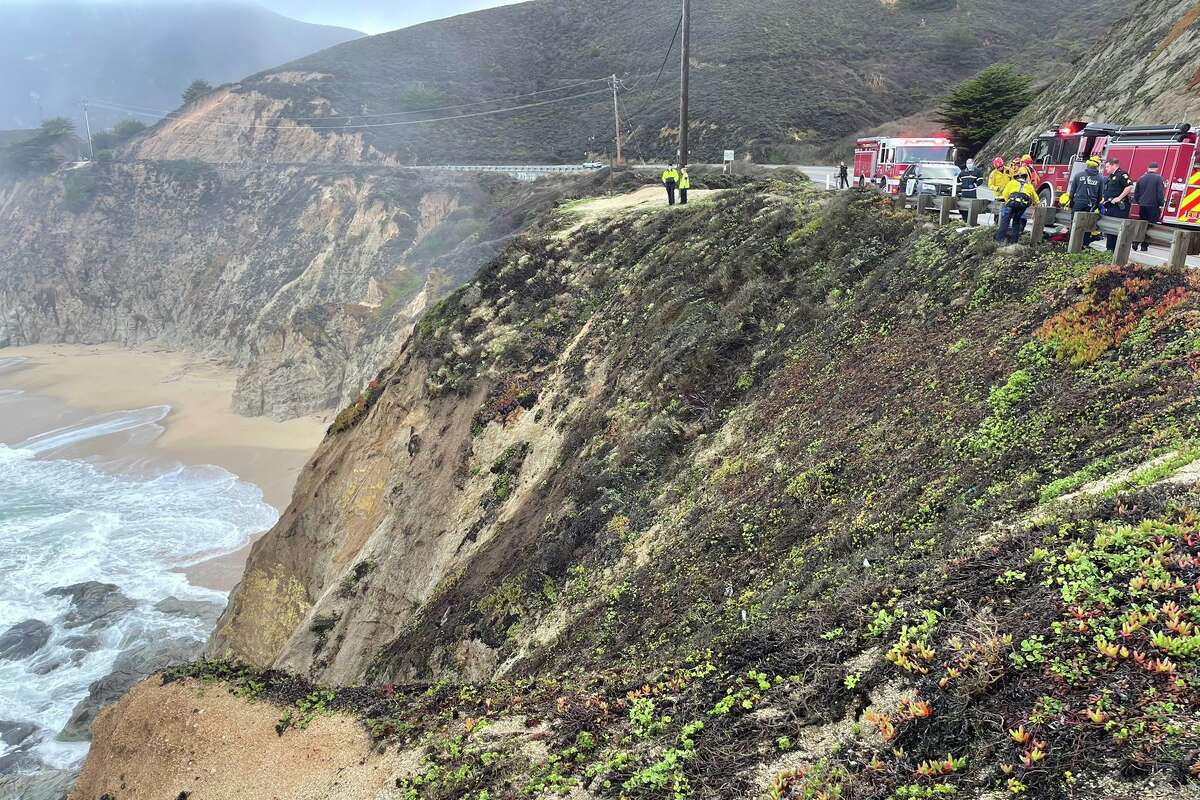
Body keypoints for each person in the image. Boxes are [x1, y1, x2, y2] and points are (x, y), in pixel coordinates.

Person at [995, 168, 1038, 245]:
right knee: (1017, 221)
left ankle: (999, 239)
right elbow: (1035, 197)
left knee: (1005, 221)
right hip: (1022, 205)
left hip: (1011, 203)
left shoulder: (1012, 183)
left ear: (1017, 177)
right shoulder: (1029, 186)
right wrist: (1036, 204)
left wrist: (1007, 201)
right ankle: (1014, 242)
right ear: (1025, 177)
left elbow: (1005, 193)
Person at [1067, 156, 1105, 245]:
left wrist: (1071, 202)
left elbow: (1072, 192)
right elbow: (1100, 195)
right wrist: (1096, 204)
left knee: (1075, 224)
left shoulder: (1078, 175)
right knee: (1088, 225)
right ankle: (1084, 244)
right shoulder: (1100, 178)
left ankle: (1072, 244)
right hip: (1091, 205)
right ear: (1097, 166)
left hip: (1078, 203)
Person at [1099, 157, 1134, 251]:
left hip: (1119, 207)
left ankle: (1116, 250)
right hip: (1110, 206)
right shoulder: (1111, 176)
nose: (1106, 169)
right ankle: (1109, 249)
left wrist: (1119, 198)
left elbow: (1129, 186)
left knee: (1116, 230)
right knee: (1110, 229)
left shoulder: (1122, 174)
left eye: (1107, 167)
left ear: (1114, 165)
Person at [1133, 162, 1166, 252]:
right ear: (1156, 169)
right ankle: (1144, 246)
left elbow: (1136, 193)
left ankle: (1136, 241)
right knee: (1150, 226)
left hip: (1143, 205)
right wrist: (1161, 203)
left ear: (1148, 168)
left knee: (1142, 224)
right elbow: (1160, 193)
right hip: (1153, 206)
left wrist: (1138, 201)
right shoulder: (1159, 179)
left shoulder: (1141, 178)